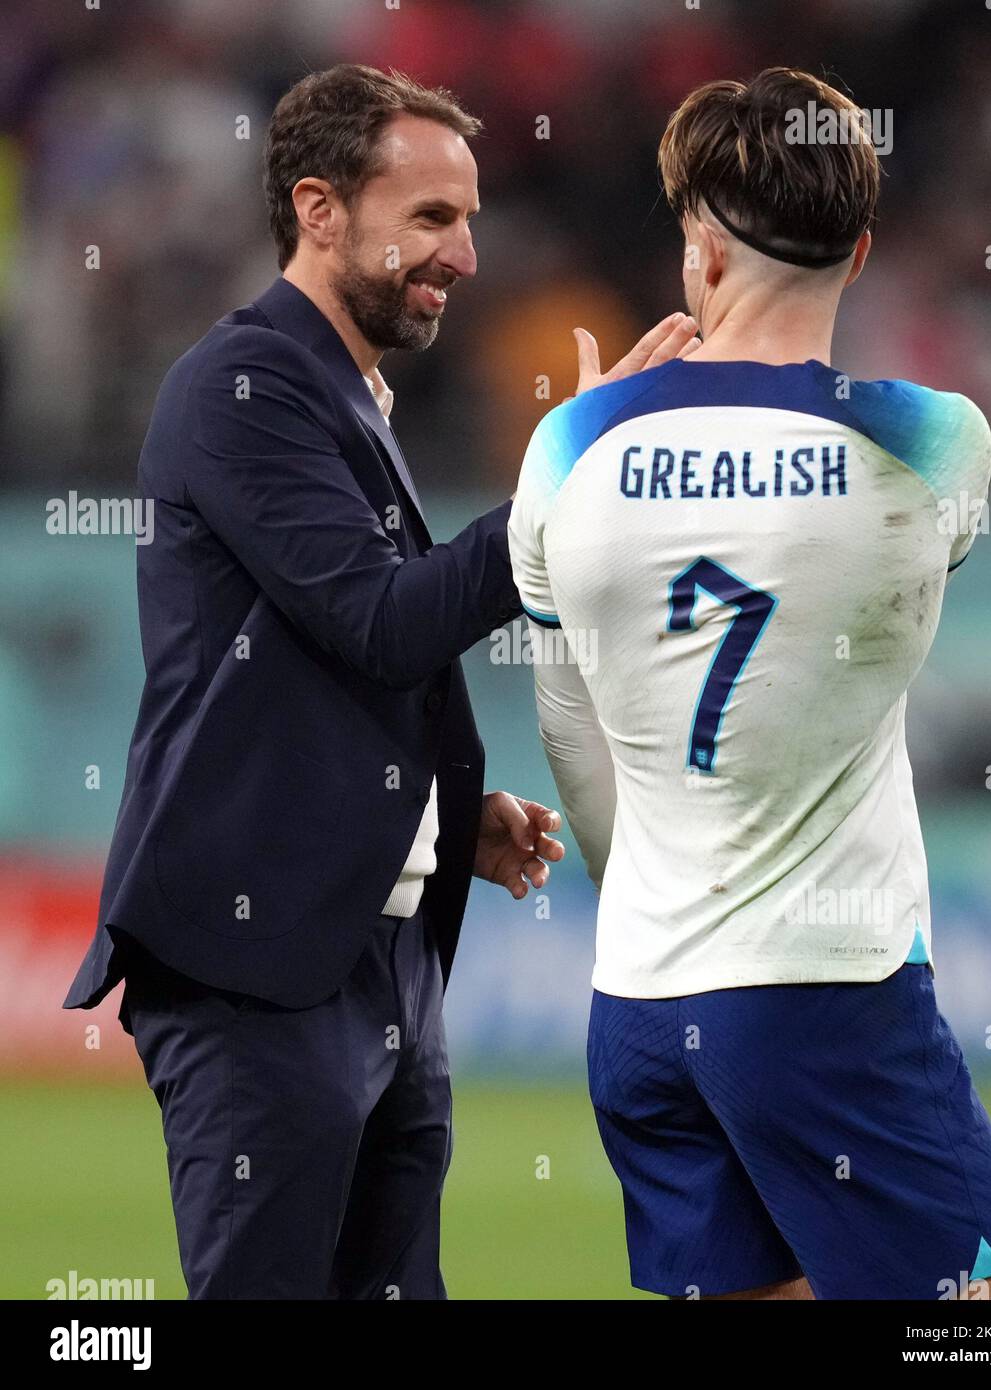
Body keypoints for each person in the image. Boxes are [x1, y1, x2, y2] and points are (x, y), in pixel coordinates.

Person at [62, 63, 696, 1300]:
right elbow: (380, 622)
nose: (464, 253)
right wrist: (569, 470)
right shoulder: (240, 389)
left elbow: (317, 670)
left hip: (378, 958)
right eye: (429, 219)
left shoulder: (344, 394)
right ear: (318, 208)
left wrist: (444, 825)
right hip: (261, 978)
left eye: (467, 219)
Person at [509, 67, 991, 1301]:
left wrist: (636, 892)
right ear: (857, 254)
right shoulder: (934, 438)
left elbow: (566, 721)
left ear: (697, 250)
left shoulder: (567, 448)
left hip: (637, 1006)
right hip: (827, 994)